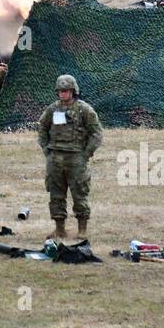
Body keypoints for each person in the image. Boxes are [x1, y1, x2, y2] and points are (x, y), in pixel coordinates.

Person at [37, 74, 104, 240]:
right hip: (55, 158)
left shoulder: (84, 110)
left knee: (79, 193)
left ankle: (82, 229)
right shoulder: (52, 109)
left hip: (76, 158)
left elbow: (97, 133)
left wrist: (86, 153)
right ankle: (59, 229)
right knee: (56, 194)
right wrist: (47, 150)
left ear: (73, 91)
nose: (62, 94)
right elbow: (42, 129)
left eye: (66, 91)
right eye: (60, 91)